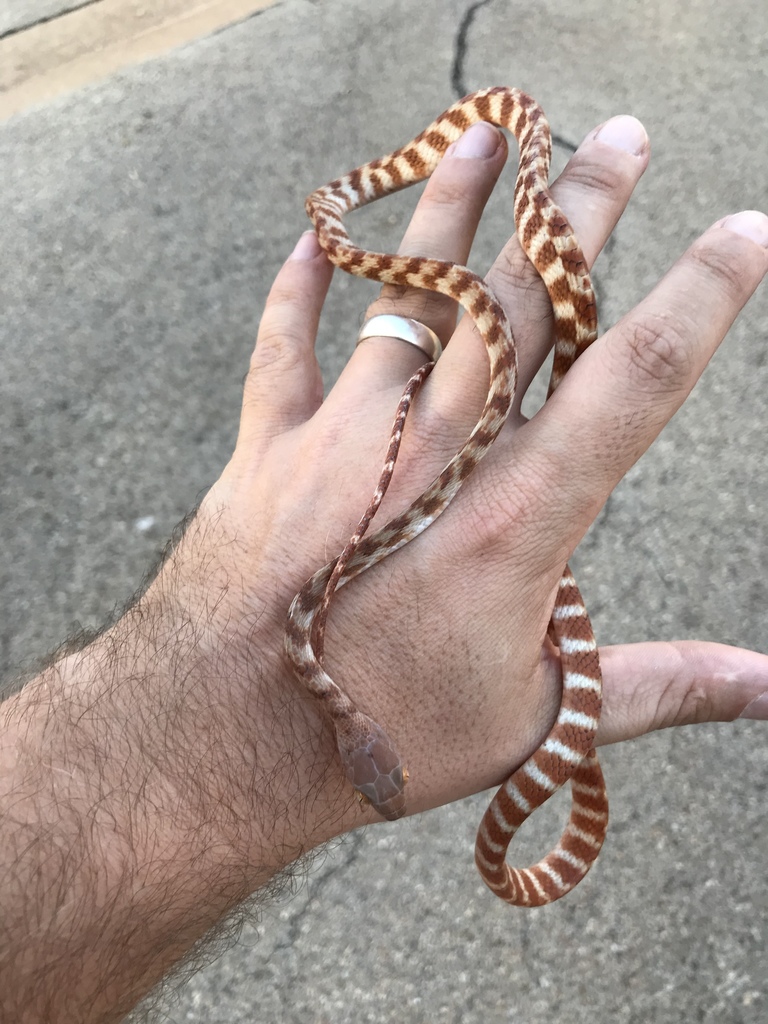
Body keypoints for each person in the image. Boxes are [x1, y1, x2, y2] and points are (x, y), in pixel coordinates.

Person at [1, 114, 766, 1024]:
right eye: (381, 776)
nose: (385, 792)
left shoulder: (318, 653)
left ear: (361, 744)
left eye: (374, 774)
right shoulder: (329, 690)